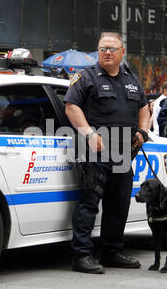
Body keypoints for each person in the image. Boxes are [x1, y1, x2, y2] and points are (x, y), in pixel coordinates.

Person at [64, 32, 150, 274]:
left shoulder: (131, 79)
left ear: (123, 52)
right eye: (103, 49)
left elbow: (144, 108)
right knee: (89, 204)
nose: (107, 53)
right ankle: (81, 256)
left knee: (118, 204)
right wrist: (89, 133)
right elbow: (71, 107)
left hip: (124, 153)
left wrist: (143, 131)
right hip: (96, 152)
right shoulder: (85, 77)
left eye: (112, 48)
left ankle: (112, 252)